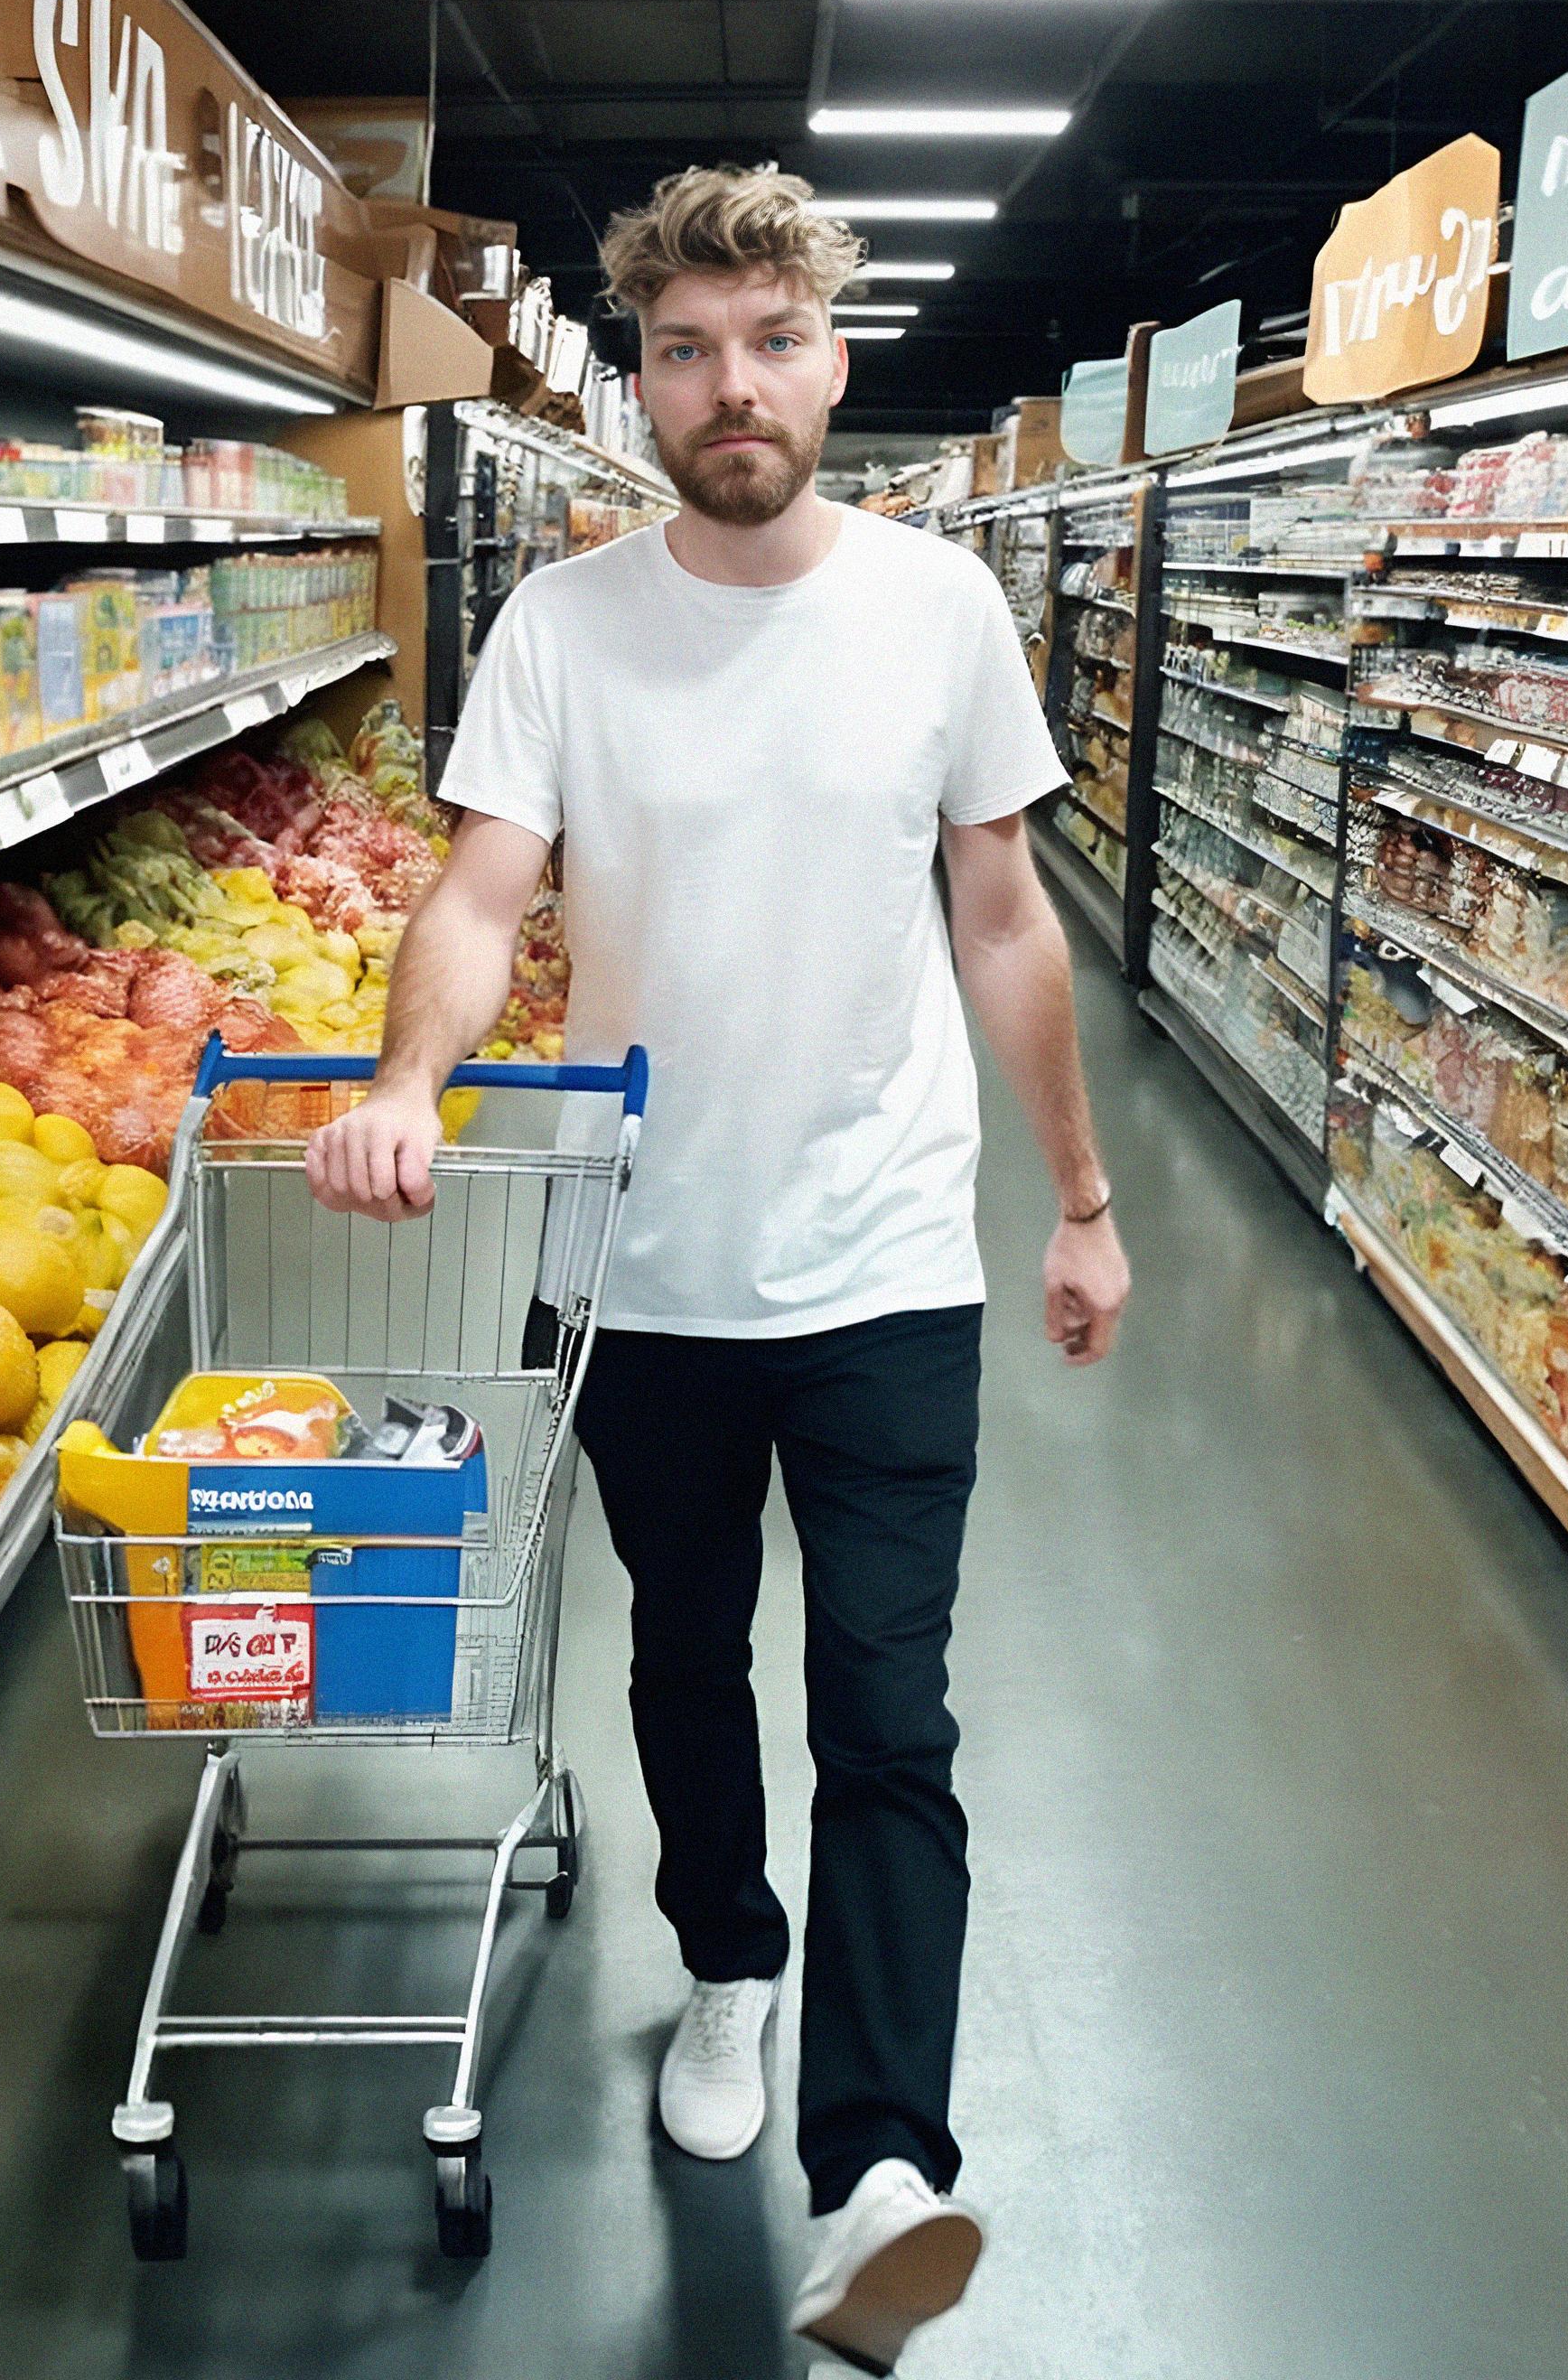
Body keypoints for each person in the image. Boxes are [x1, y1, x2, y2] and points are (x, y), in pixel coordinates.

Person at [304, 165, 1130, 2370]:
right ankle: (727, 1963)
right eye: (685, 350)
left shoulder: (940, 607)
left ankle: (878, 2171)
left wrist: (1078, 1197)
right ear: (644, 379)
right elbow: (482, 892)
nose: (729, 385)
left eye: (769, 342)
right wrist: (406, 1082)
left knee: (885, 1703)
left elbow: (1002, 920)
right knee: (682, 1657)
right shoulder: (566, 626)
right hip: (639, 1263)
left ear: (831, 361)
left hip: (887, 1261)